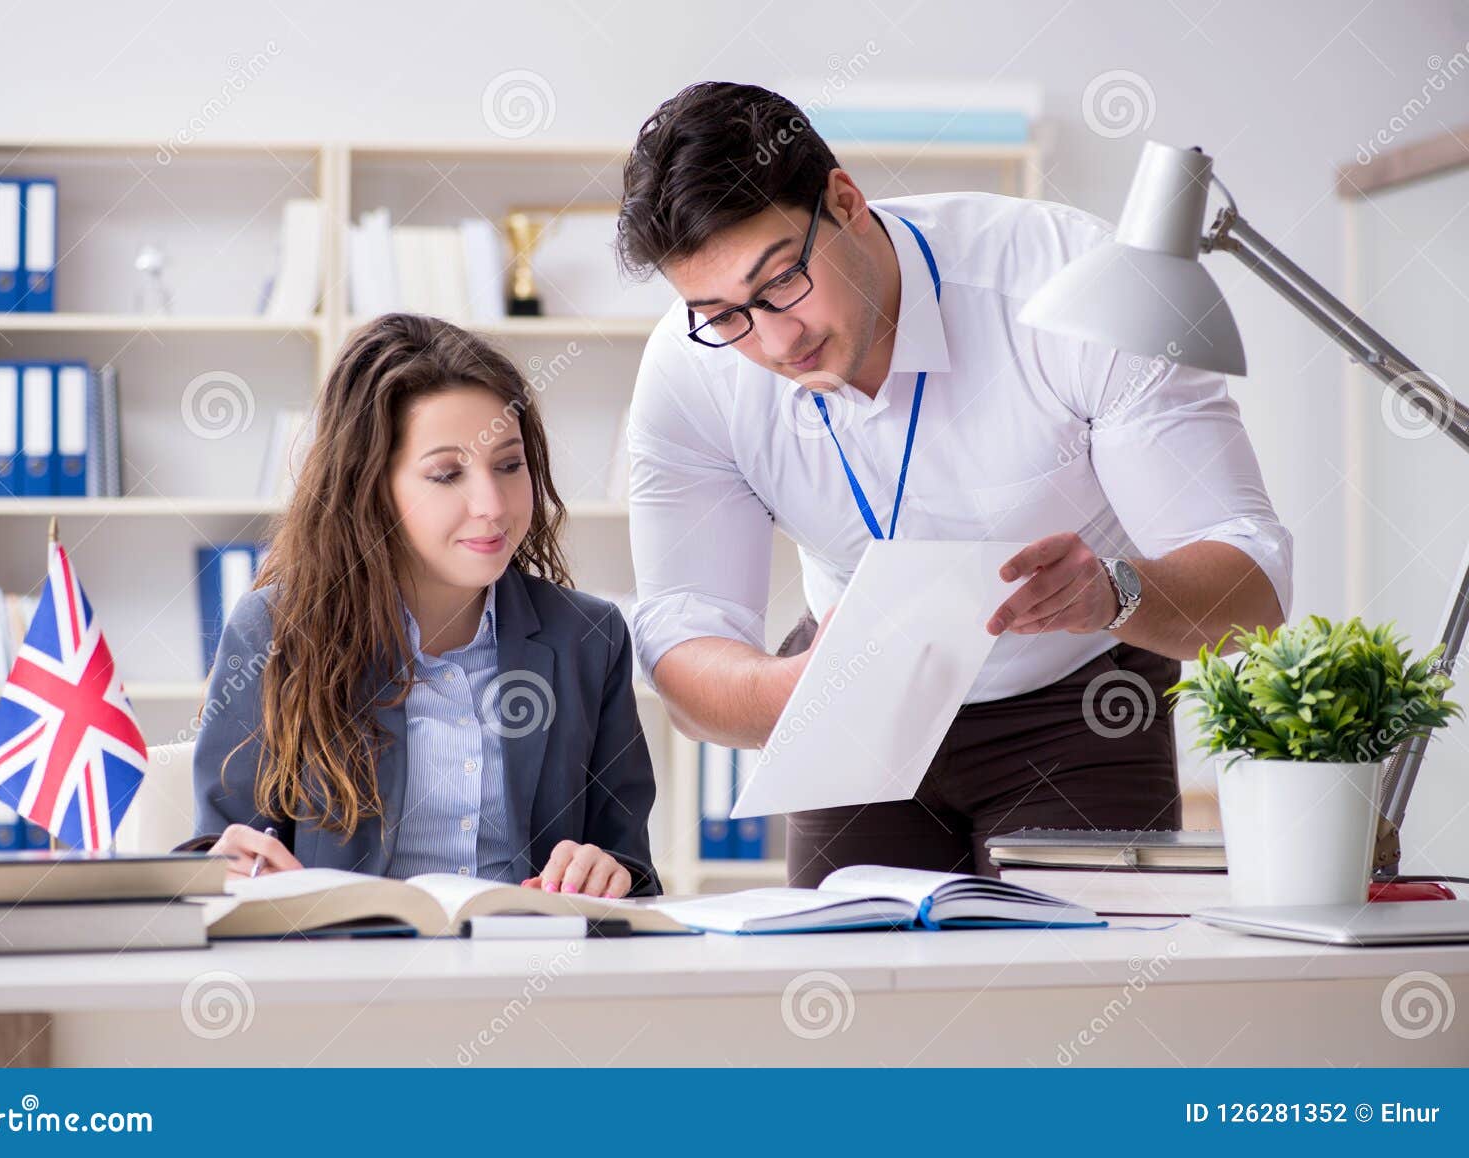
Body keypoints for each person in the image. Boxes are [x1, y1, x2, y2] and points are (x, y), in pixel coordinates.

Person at [617, 82, 1291, 886]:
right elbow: (682, 639)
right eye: (724, 314)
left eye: (783, 280)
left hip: (1075, 691)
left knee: (1079, 962)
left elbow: (1254, 589)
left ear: (845, 201)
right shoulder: (691, 367)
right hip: (852, 700)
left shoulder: (1070, 288)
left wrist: (1114, 590)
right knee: (847, 957)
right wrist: (787, 693)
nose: (774, 340)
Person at [184, 313, 659, 898]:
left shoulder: (588, 636)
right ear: (371, 487)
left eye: (509, 465)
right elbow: (220, 855)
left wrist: (611, 870)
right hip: (348, 953)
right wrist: (229, 869)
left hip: (527, 951)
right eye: (446, 474)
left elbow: (630, 863)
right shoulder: (275, 631)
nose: (491, 504)